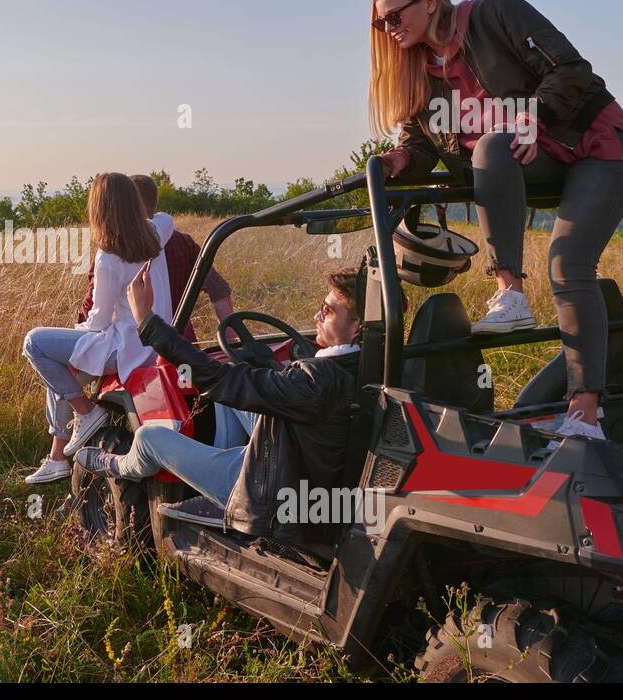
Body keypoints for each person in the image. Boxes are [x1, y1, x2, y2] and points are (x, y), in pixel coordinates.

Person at [369, 0, 623, 443]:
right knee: (492, 147)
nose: (390, 30)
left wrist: (532, 115)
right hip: (525, 158)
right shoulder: (421, 72)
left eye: (394, 16)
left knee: (568, 265)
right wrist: (399, 158)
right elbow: (422, 141)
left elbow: (573, 71)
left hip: (593, 145)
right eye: (382, 25)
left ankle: (585, 414)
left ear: (429, 1)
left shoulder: (495, 14)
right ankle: (511, 293)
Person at [78, 267, 366, 539]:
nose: (317, 314)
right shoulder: (364, 365)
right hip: (296, 458)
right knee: (231, 395)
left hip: (268, 492)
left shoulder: (317, 382)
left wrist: (148, 322)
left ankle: (118, 466)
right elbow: (245, 387)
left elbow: (222, 380)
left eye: (327, 311)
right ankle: (217, 465)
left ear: (357, 328)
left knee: (149, 437)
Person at [22, 172, 162, 484]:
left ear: (100, 208)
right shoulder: (154, 235)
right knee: (58, 375)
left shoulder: (109, 256)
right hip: (150, 344)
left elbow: (98, 321)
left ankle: (86, 412)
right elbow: (166, 218)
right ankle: (57, 460)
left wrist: (75, 334)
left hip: (123, 349)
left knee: (35, 343)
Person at [76, 174, 234, 342]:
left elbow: (92, 306)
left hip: (134, 348)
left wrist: (77, 341)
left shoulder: (115, 250)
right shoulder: (184, 244)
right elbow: (219, 292)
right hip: (183, 346)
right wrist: (232, 345)